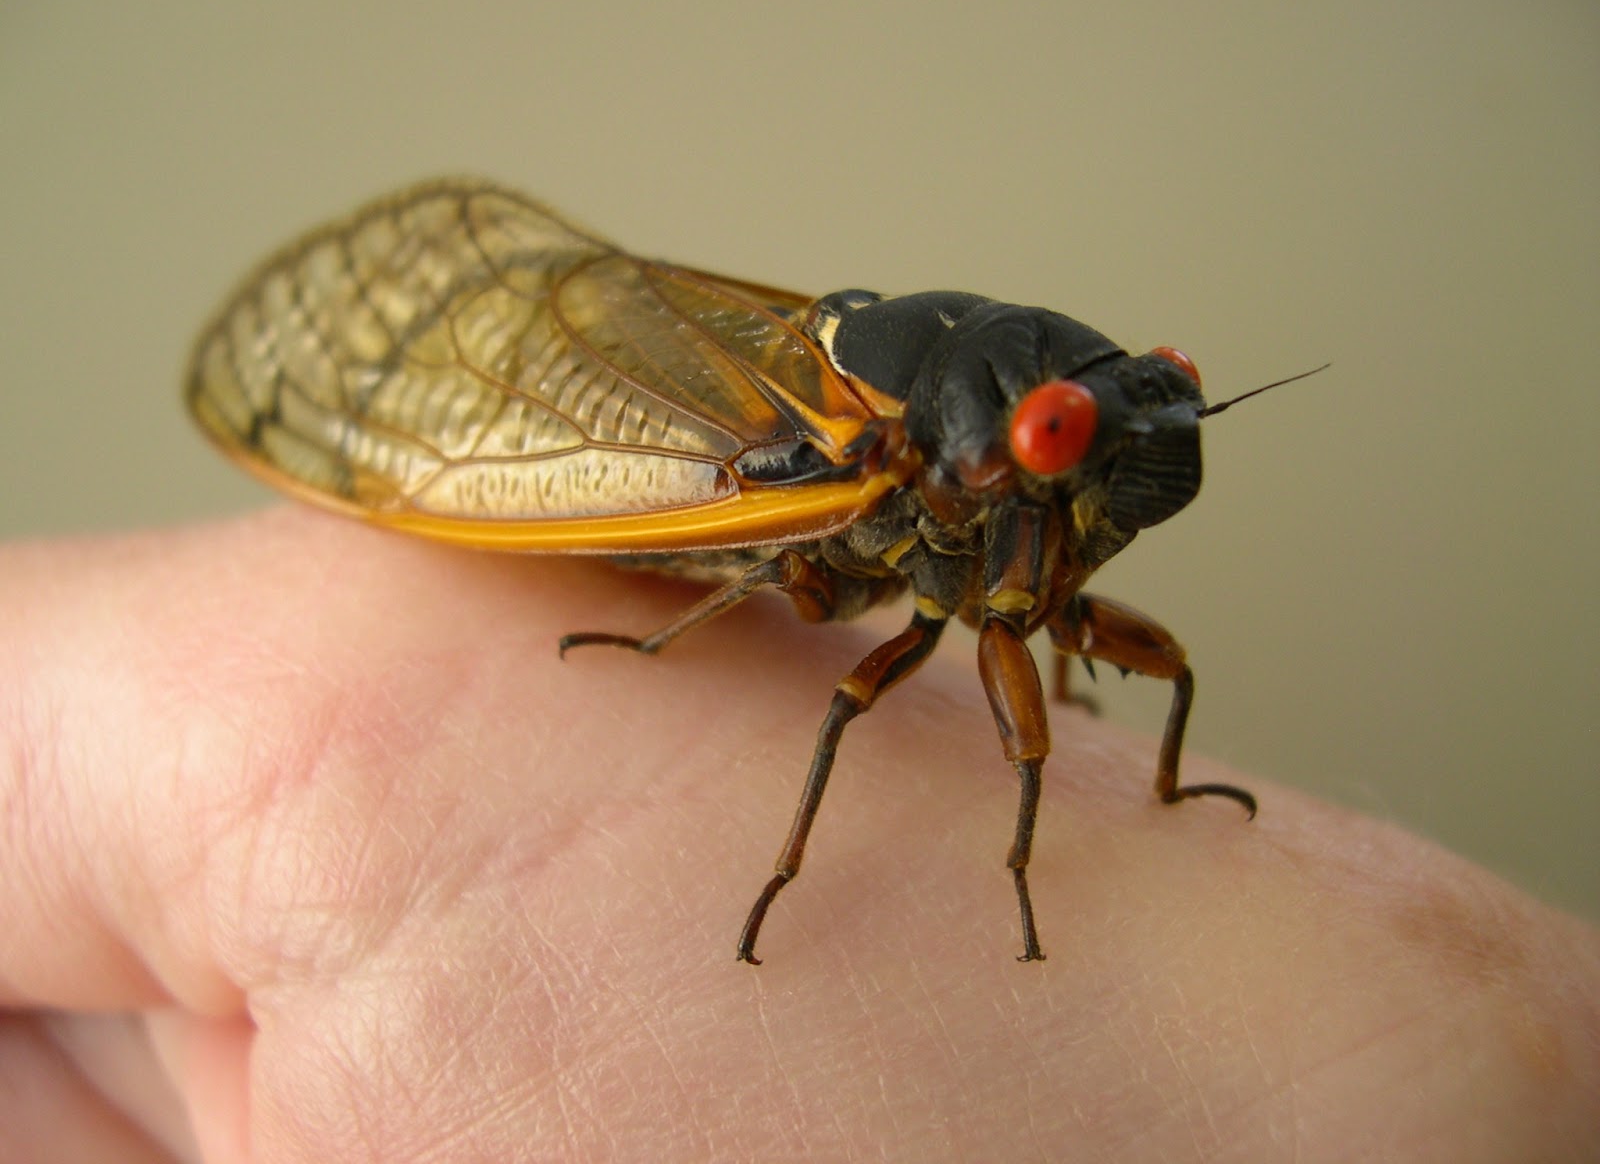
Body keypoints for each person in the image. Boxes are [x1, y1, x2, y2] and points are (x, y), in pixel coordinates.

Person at [3, 507, 1596, 1162]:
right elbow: (814, 597)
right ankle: (789, 838)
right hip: (768, 491)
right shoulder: (910, 490)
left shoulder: (1028, 536)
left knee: (1128, 675)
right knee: (809, 621)